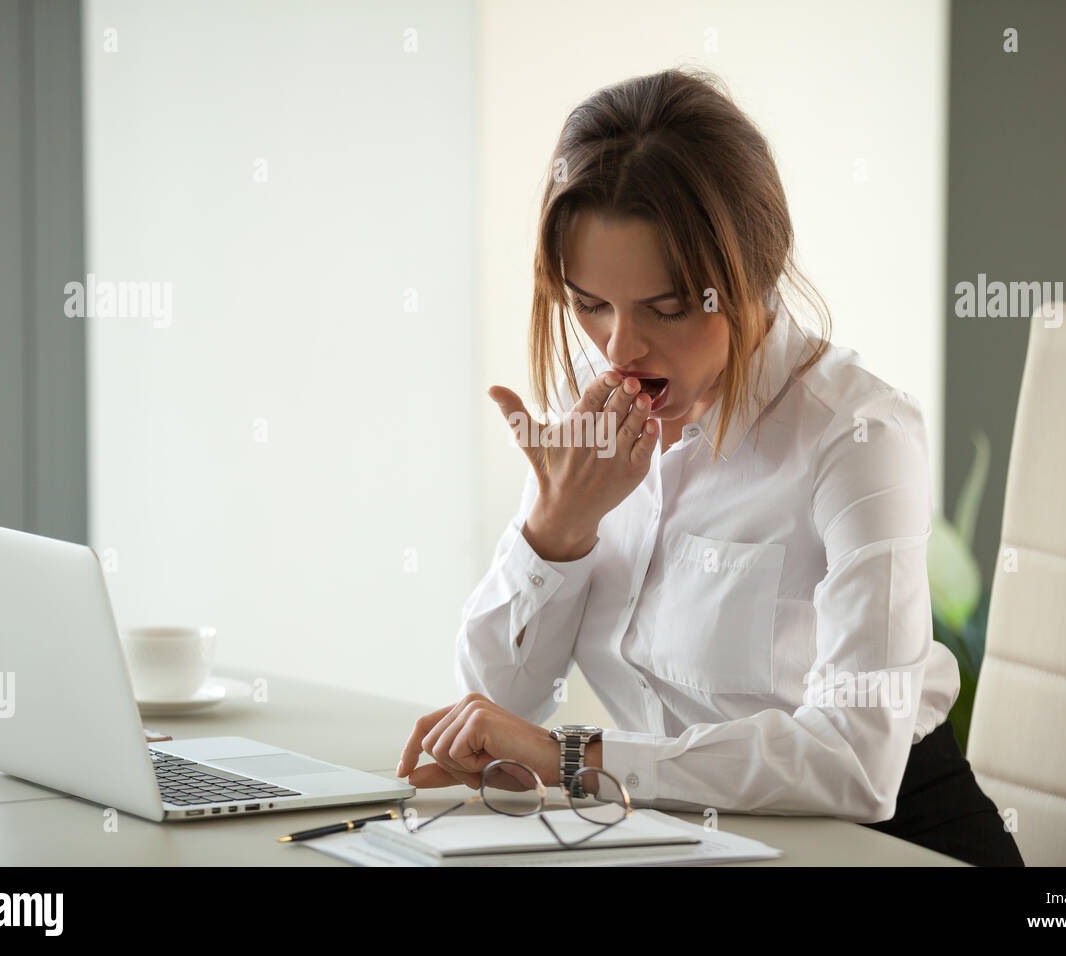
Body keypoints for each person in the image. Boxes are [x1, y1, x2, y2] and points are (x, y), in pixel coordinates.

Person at [395, 66, 1024, 867]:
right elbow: (499, 705)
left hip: (883, 845)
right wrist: (557, 526)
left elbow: (856, 764)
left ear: (752, 275)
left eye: (665, 309)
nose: (620, 349)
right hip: (690, 839)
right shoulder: (597, 420)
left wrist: (577, 762)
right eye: (589, 303)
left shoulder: (858, 436)